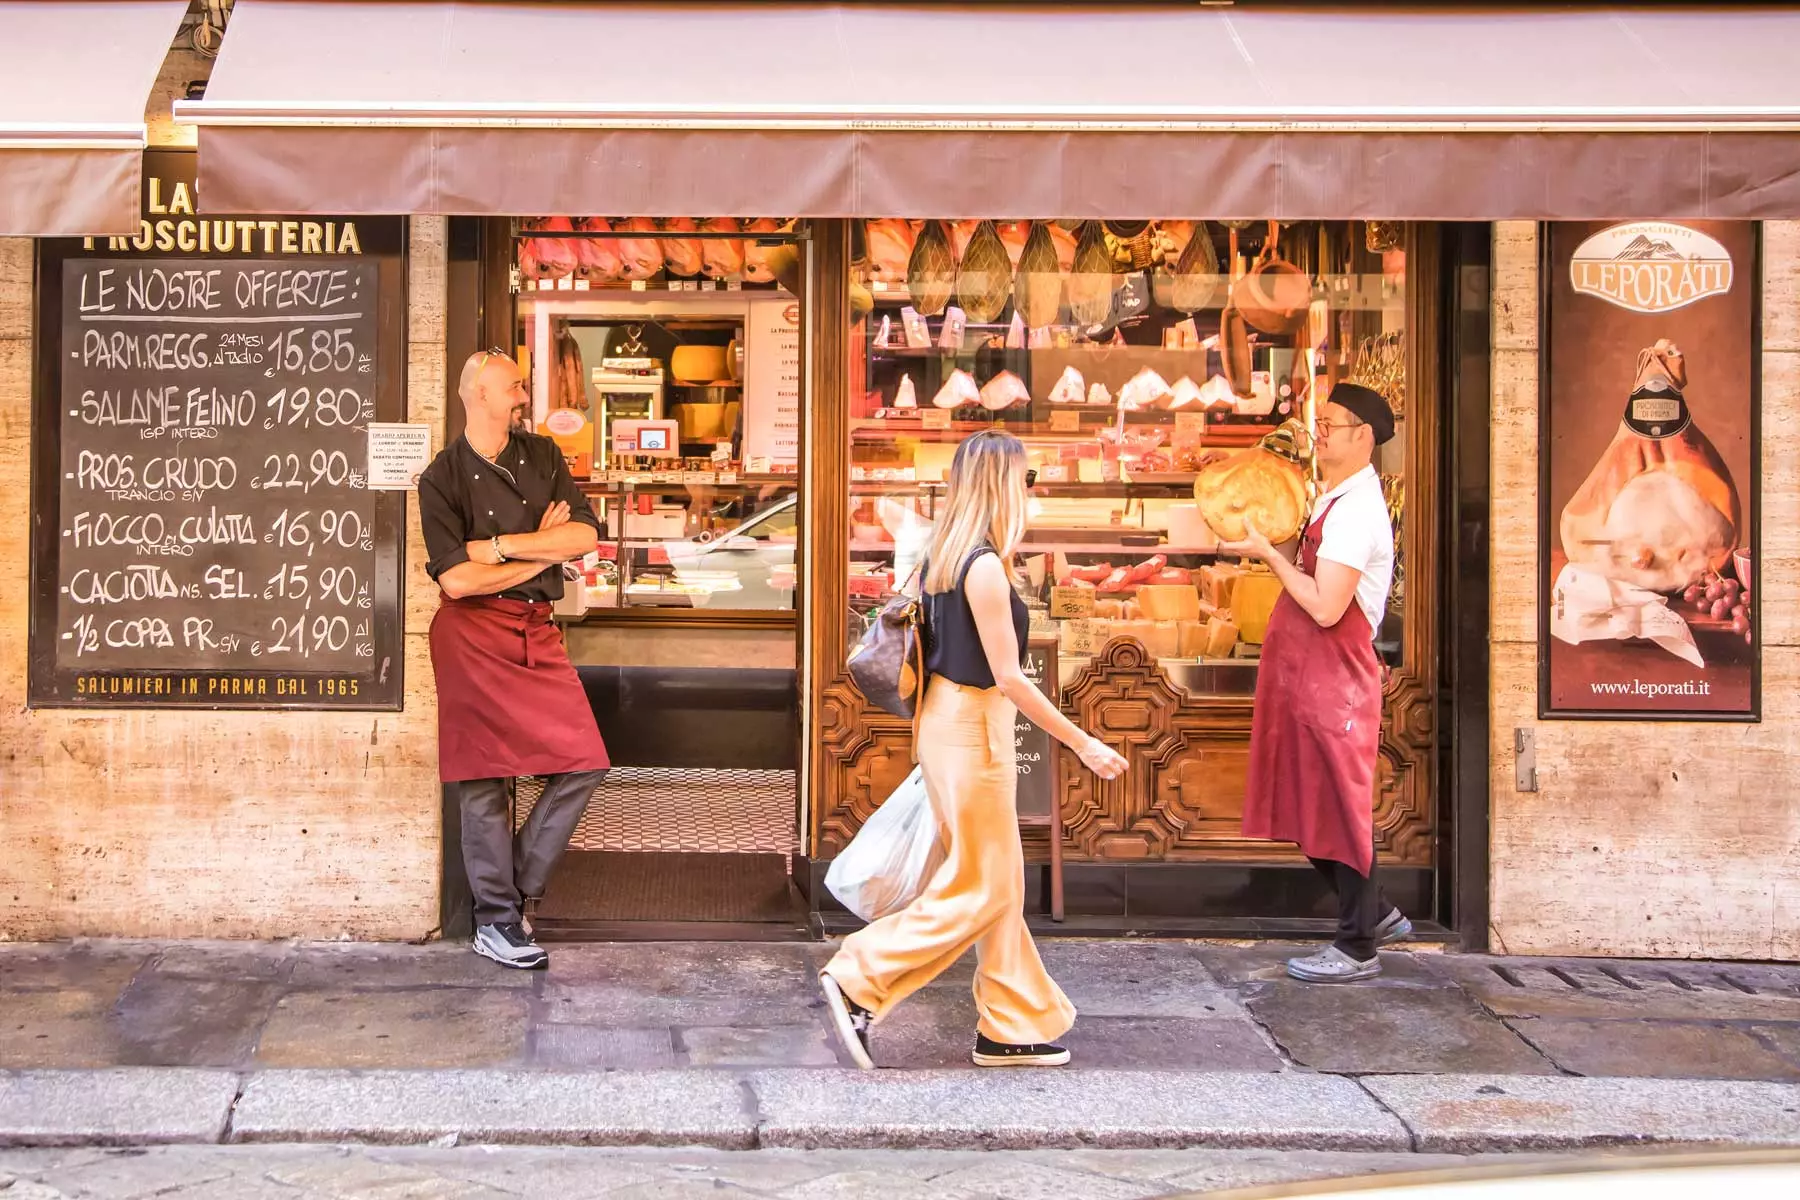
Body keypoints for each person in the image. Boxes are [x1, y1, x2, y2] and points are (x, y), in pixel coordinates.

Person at [818, 430, 1129, 1069]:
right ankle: (859, 974)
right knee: (981, 884)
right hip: (974, 730)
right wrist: (1082, 743)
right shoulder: (982, 565)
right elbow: (1011, 676)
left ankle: (1012, 1024)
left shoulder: (943, 554)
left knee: (1000, 883)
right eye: (1025, 479)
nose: (1030, 490)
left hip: (946, 721)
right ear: (1001, 484)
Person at [418, 349, 611, 970]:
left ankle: (519, 886)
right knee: (482, 784)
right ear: (476, 395)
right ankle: (496, 922)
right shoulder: (440, 478)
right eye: (513, 388)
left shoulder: (542, 456)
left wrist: (499, 548)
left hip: (535, 628)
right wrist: (541, 553)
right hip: (470, 637)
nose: (524, 398)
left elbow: (584, 535)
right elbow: (457, 584)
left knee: (583, 760)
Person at [1220, 382, 1411, 983]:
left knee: (1335, 800)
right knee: (1312, 797)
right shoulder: (1335, 497)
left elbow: (1328, 606)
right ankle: (1375, 914)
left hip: (1335, 675)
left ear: (1363, 437)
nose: (1319, 430)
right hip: (1310, 674)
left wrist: (1270, 558)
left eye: (1329, 423)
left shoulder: (1357, 510)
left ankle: (1358, 945)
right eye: (1319, 420)